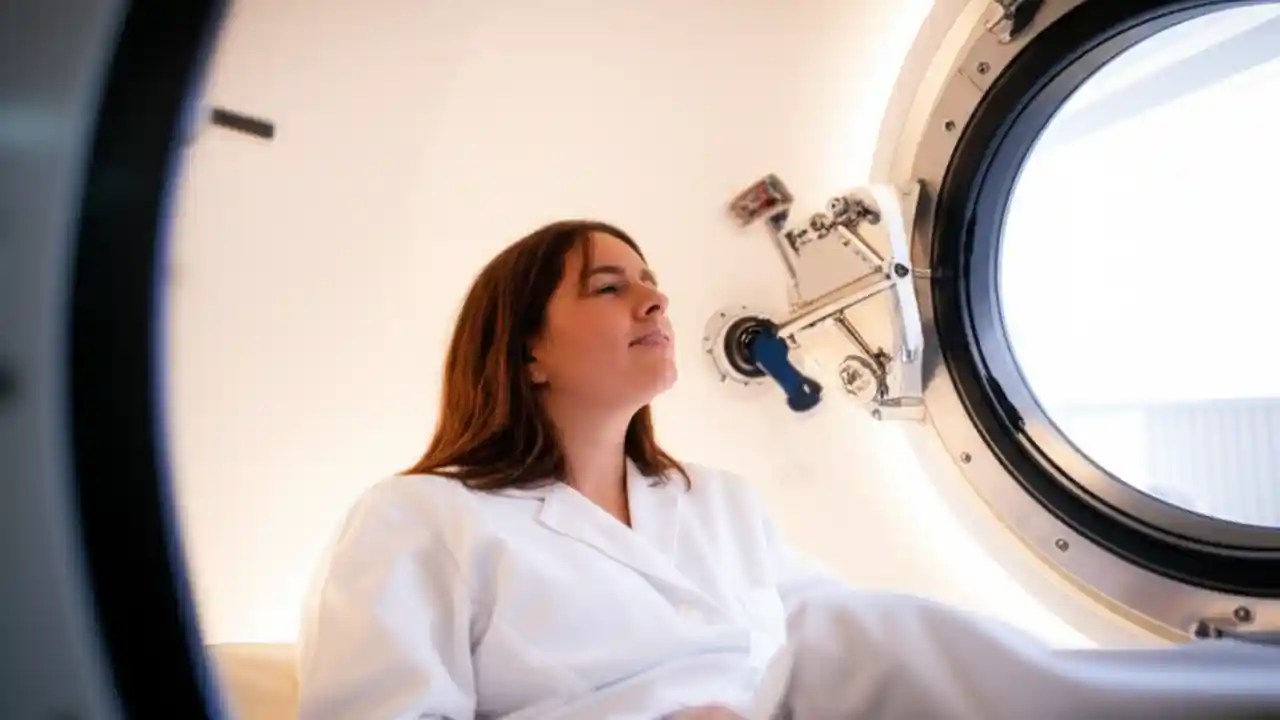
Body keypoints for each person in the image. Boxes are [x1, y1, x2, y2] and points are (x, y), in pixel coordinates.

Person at [295, 220, 1280, 720]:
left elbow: (832, 645)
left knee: (880, 634)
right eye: (609, 286)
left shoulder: (715, 503)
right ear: (526, 353)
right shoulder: (420, 518)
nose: (654, 299)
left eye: (651, 280)